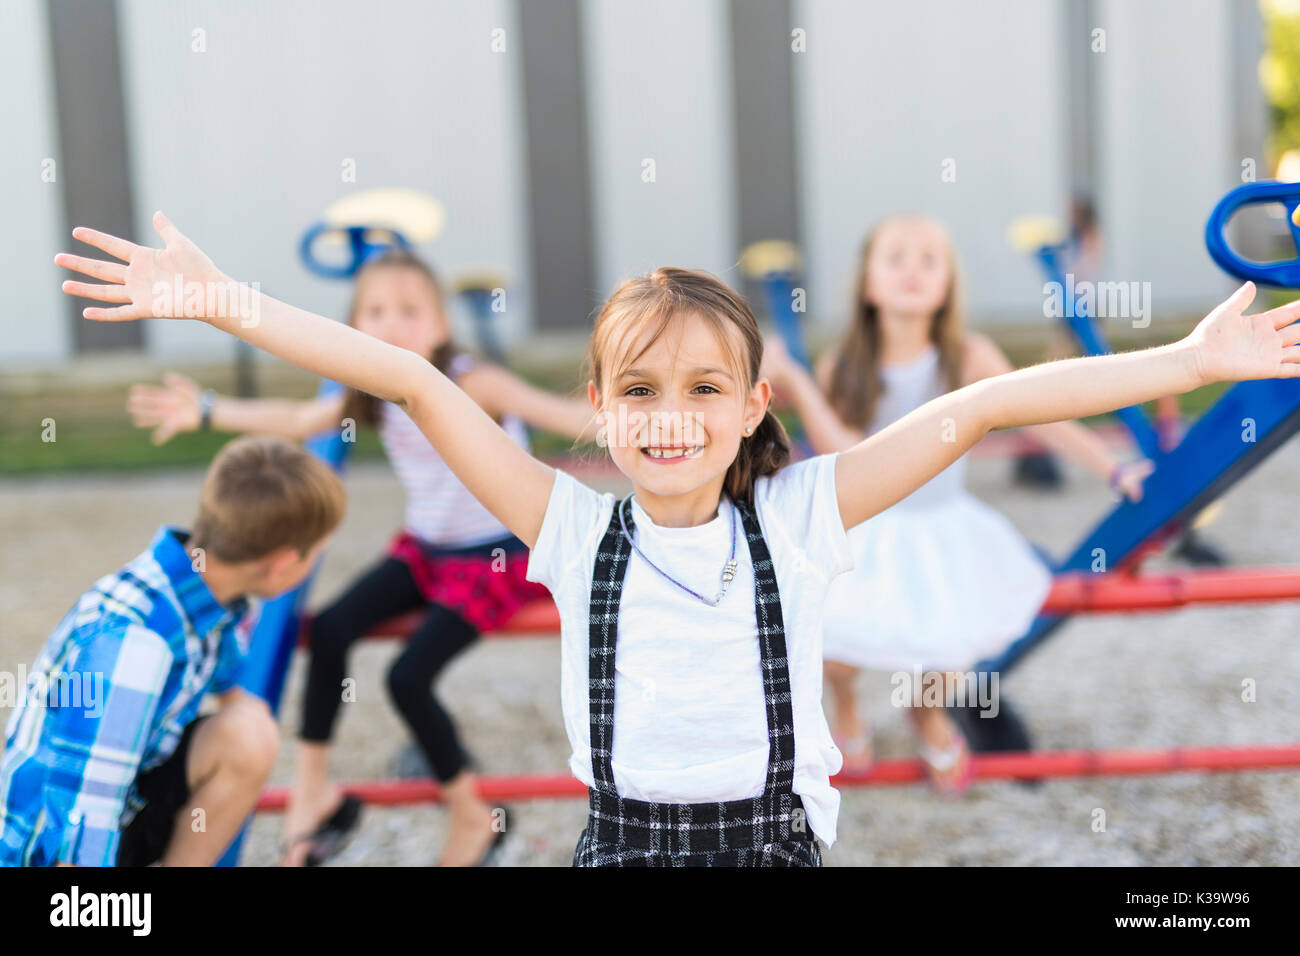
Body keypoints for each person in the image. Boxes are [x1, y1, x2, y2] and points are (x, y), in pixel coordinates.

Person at [55, 211, 1300, 865]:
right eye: (638, 392)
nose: (668, 419)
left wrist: (1187, 357)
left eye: (705, 389)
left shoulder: (806, 511)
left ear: (754, 406)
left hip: (775, 847)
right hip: (621, 847)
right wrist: (223, 302)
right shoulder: (565, 522)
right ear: (598, 410)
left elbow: (983, 406)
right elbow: (415, 380)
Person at [126, 248, 596, 867]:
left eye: (409, 310)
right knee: (331, 630)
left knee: (407, 677)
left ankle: (471, 815)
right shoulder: (368, 392)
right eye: (375, 311)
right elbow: (298, 416)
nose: (392, 323)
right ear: (353, 326)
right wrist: (208, 409)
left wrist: (655, 415)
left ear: (440, 326)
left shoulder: (470, 380)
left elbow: (563, 414)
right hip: (425, 550)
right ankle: (313, 794)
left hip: (496, 557)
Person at [762, 216, 1150, 791]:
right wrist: (798, 381)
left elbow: (1044, 414)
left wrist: (1113, 467)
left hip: (940, 524)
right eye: (896, 258)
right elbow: (845, 450)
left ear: (946, 285)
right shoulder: (843, 364)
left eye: (928, 260)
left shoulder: (968, 357)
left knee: (947, 651)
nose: (913, 271)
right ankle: (844, 706)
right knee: (838, 647)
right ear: (869, 285)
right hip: (869, 524)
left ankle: (924, 713)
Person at [0, 436, 345, 866]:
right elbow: (83, 810)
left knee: (249, 729)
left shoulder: (211, 594)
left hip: (128, 800)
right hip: (49, 849)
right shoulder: (134, 642)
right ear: (282, 561)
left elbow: (233, 696)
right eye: (316, 553)